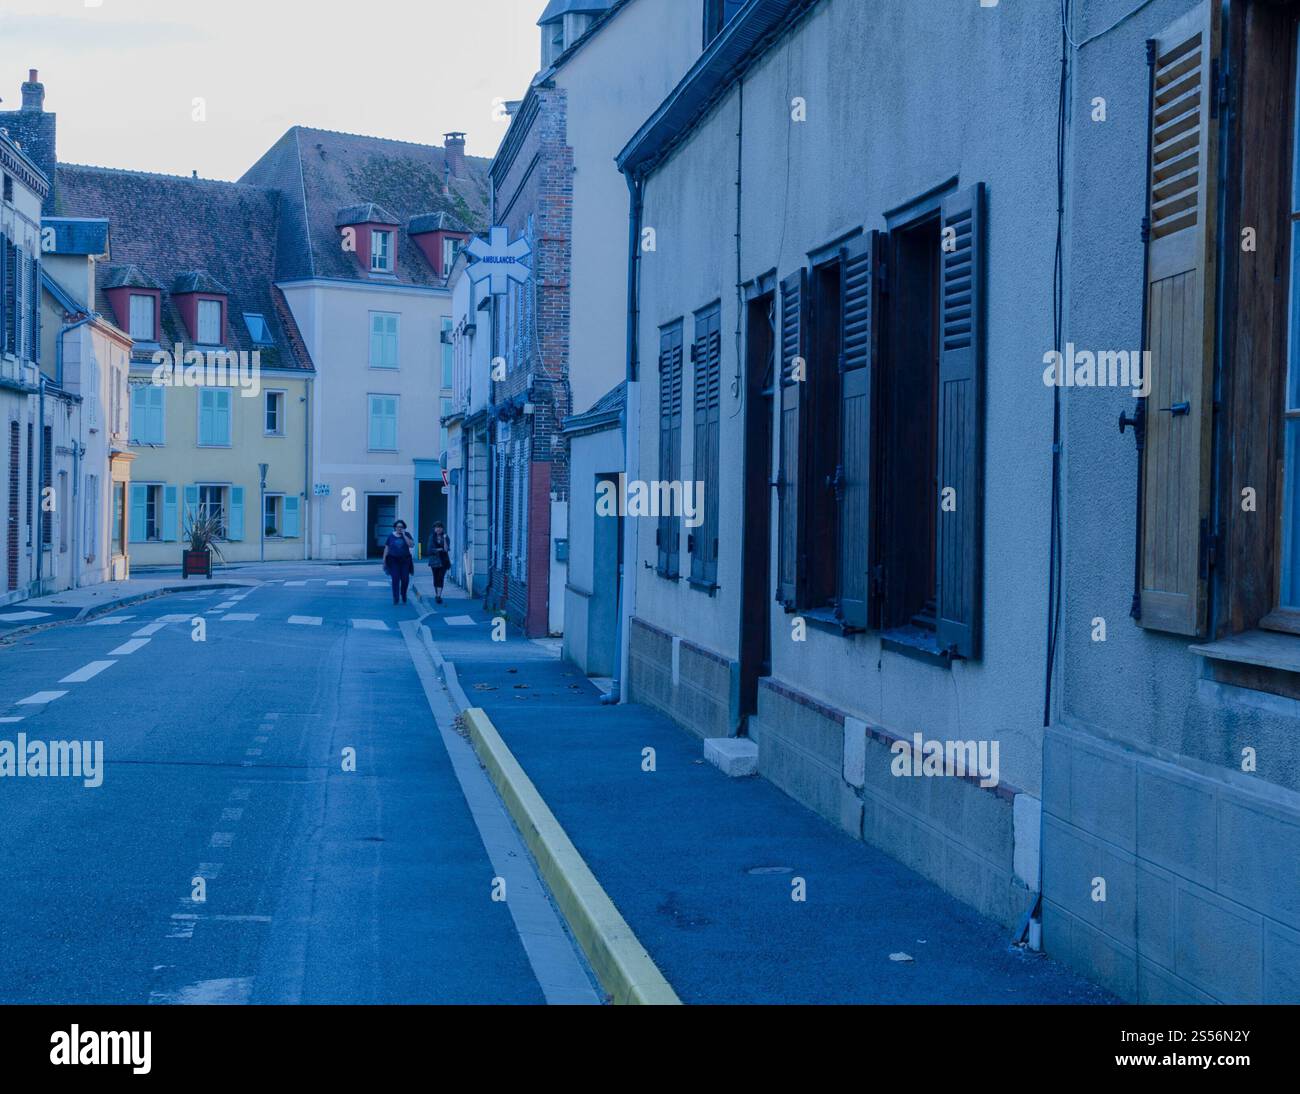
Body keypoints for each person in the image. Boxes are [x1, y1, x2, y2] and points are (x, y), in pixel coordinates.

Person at [381, 519, 415, 605]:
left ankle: (403, 594)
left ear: (404, 528)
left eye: (401, 527)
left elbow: (411, 545)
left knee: (405, 579)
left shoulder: (407, 535)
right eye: (398, 527)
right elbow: (386, 548)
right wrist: (384, 561)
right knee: (395, 579)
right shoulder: (390, 536)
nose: (399, 528)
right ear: (395, 528)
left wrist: (404, 535)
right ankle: (395, 597)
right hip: (393, 560)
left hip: (405, 560)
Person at [426, 522, 452, 604]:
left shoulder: (446, 537)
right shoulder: (431, 537)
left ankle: (438, 596)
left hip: (443, 560)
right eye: (436, 527)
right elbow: (429, 550)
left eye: (440, 527)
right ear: (434, 529)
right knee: (435, 578)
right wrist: (438, 550)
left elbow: (446, 549)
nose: (438, 529)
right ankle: (437, 593)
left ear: (442, 529)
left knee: (441, 577)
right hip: (434, 561)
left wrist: (444, 539)